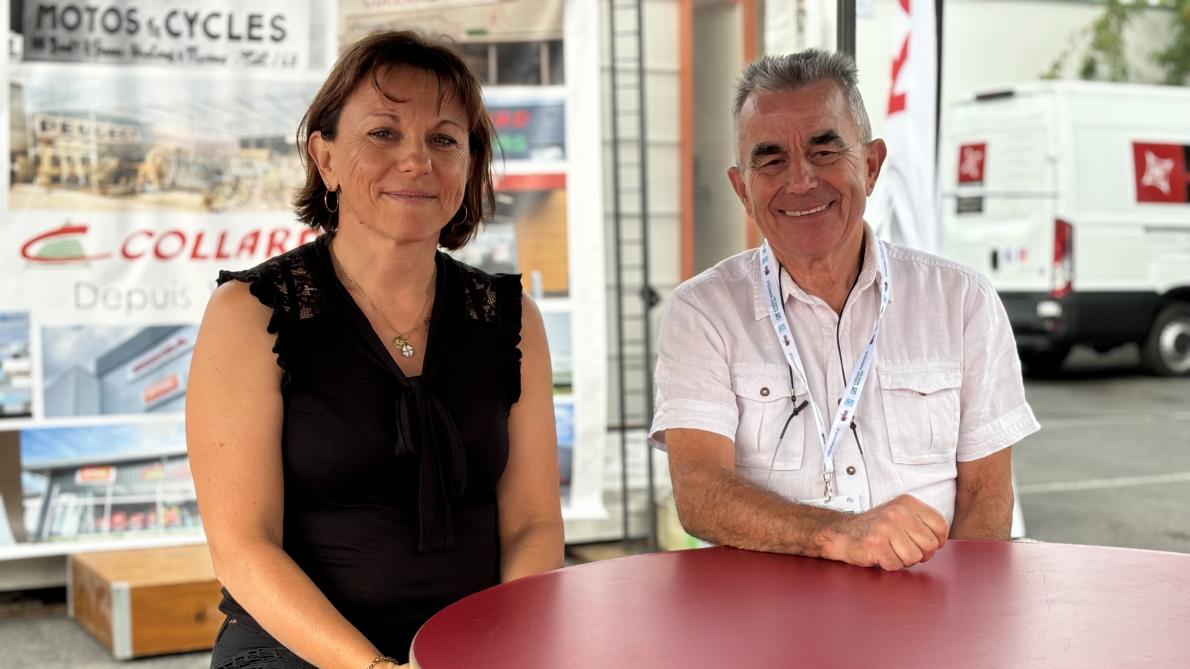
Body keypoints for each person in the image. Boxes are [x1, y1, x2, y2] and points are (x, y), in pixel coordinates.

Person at [186, 31, 564, 668]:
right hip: (296, 650)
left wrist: (503, 648)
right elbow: (244, 548)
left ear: (469, 165)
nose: (416, 160)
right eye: (384, 133)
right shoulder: (249, 314)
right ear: (325, 157)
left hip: (474, 647)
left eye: (444, 139)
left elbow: (533, 523)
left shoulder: (509, 317)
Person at [650, 49, 1039, 572]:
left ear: (872, 165)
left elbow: (985, 498)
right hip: (766, 627)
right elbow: (700, 492)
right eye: (770, 160)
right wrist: (839, 535)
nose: (801, 180)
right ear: (743, 189)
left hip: (925, 620)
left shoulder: (961, 300)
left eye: (825, 151)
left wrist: (953, 630)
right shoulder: (703, 311)